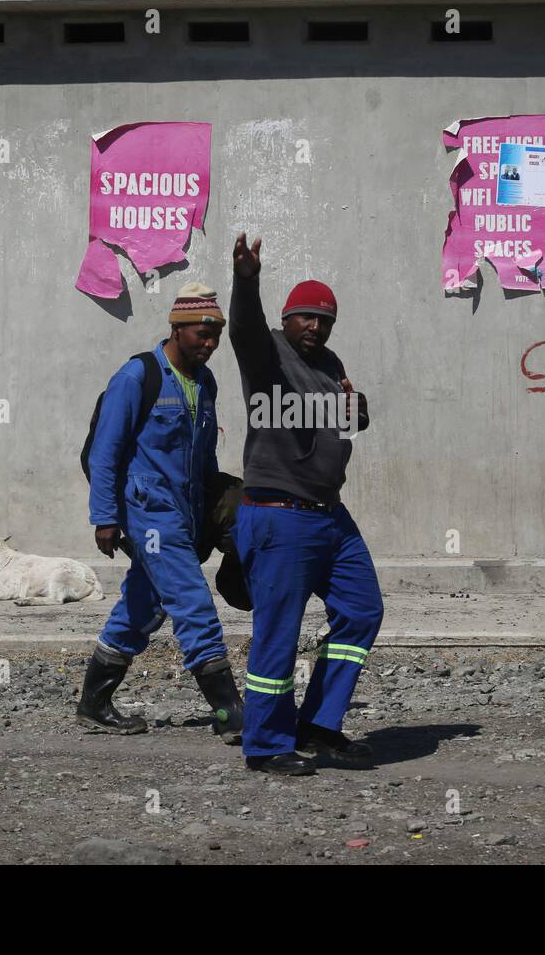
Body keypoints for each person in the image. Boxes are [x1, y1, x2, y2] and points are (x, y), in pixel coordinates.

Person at [229, 233, 384, 775]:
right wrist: (246, 281)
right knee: (280, 632)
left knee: (362, 610)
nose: (315, 327)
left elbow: (342, 423)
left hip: (328, 515)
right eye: (306, 318)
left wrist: (355, 410)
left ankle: (318, 722)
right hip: (278, 514)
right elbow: (244, 328)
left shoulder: (329, 363)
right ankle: (266, 744)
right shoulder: (267, 351)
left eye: (324, 320)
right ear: (288, 319)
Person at [76, 283, 244, 744]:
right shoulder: (137, 377)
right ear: (176, 327)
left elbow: (203, 457)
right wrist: (105, 517)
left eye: (215, 336)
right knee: (191, 599)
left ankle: (93, 702)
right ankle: (230, 710)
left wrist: (214, 513)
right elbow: (106, 453)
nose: (209, 344)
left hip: (185, 512)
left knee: (144, 604)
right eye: (200, 334)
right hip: (147, 511)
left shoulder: (205, 382)